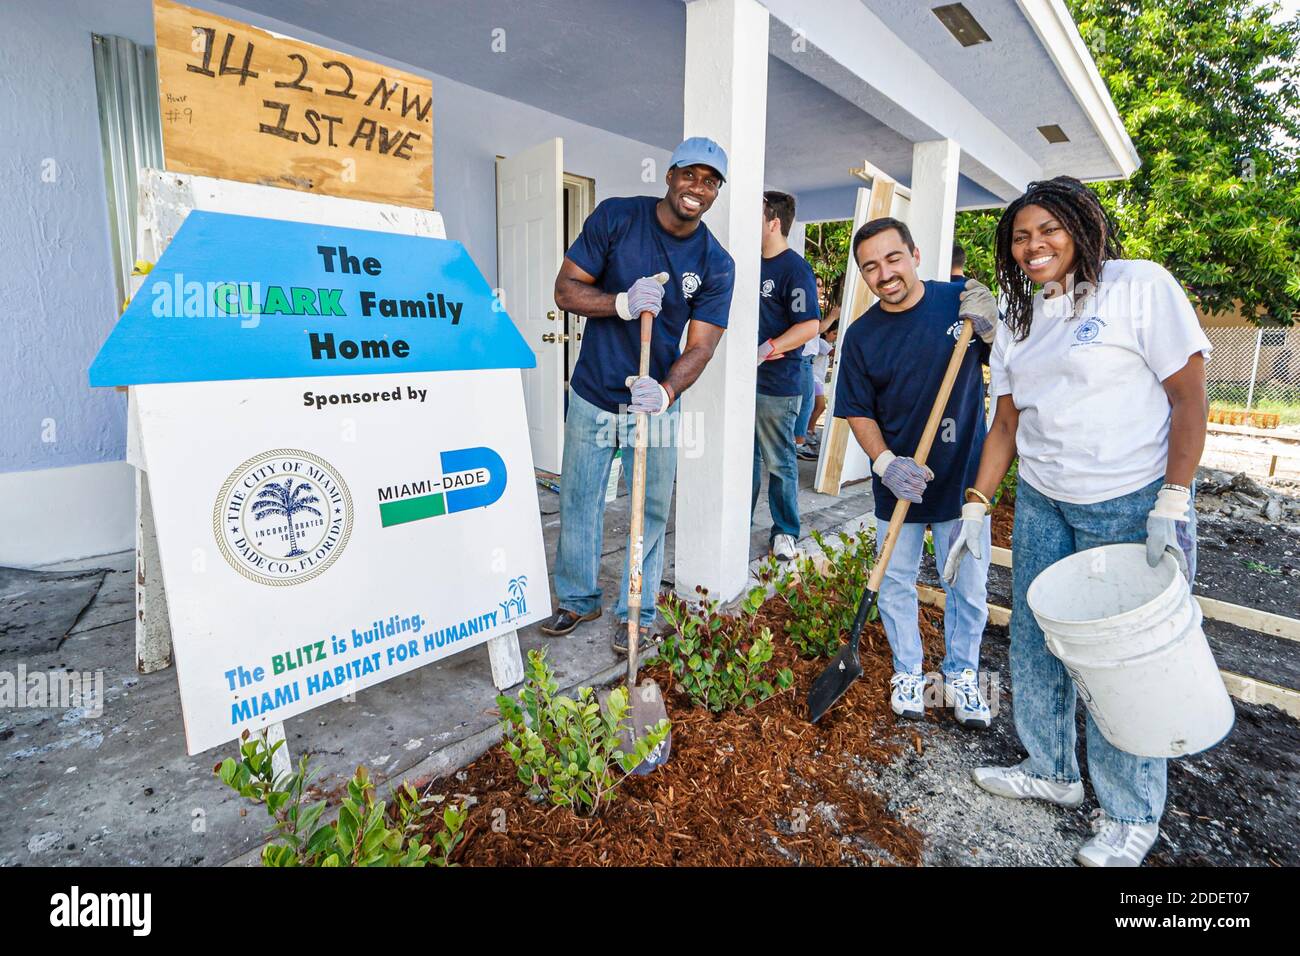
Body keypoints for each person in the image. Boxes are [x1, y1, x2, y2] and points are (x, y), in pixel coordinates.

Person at [943, 176, 1211, 868]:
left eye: (1047, 231)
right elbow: (1005, 422)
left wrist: (1173, 500)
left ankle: (1129, 813)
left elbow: (1188, 397)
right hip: (1042, 500)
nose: (1034, 247)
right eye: (1021, 238)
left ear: (1081, 226)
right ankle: (1052, 769)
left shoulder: (1137, 286)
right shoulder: (1020, 316)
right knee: (1035, 640)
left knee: (1118, 660)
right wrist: (977, 504)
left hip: (1128, 500)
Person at [542, 137, 736, 652]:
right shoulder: (616, 218)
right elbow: (565, 290)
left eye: (710, 180)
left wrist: (667, 391)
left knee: (649, 509)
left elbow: (702, 345)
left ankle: (639, 610)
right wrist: (622, 303)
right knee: (581, 499)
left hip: (655, 406)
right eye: (690, 175)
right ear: (670, 175)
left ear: (717, 192)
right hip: (593, 393)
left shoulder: (717, 263)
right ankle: (578, 599)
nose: (698, 188)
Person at [834, 217, 1000, 728]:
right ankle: (909, 672)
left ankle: (960, 676)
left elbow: (1013, 361)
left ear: (915, 254)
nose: (884, 274)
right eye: (870, 267)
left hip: (965, 481)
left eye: (892, 258)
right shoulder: (861, 337)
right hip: (900, 485)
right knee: (896, 582)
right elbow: (857, 410)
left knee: (968, 588)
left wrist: (995, 326)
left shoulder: (960, 306)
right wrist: (885, 465)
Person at [753, 191, 821, 561]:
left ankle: (785, 531)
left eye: (756, 216)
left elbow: (809, 325)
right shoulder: (750, 264)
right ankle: (738, 522)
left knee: (779, 461)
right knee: (744, 461)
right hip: (744, 384)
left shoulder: (794, 268)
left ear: (773, 223)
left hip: (778, 384)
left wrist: (767, 349)